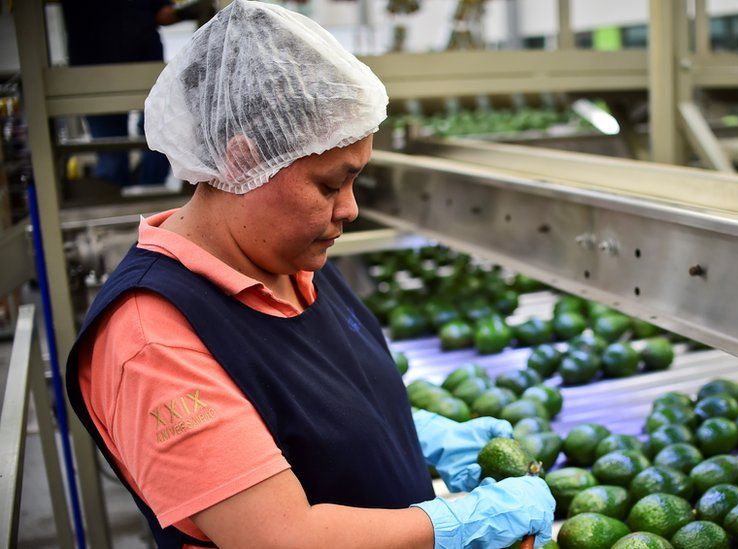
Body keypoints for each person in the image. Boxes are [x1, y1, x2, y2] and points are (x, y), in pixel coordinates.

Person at [64, 2, 555, 548]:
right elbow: (281, 538)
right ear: (243, 161)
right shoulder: (154, 339)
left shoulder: (288, 261)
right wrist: (458, 524)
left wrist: (416, 433)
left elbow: (316, 410)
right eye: (328, 185)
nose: (349, 210)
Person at [60, 0, 193, 187]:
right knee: (159, 138)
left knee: (114, 153)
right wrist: (190, 11)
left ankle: (139, 193)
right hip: (125, 67)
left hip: (97, 70)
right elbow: (164, 13)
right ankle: (146, 194)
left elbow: (163, 12)